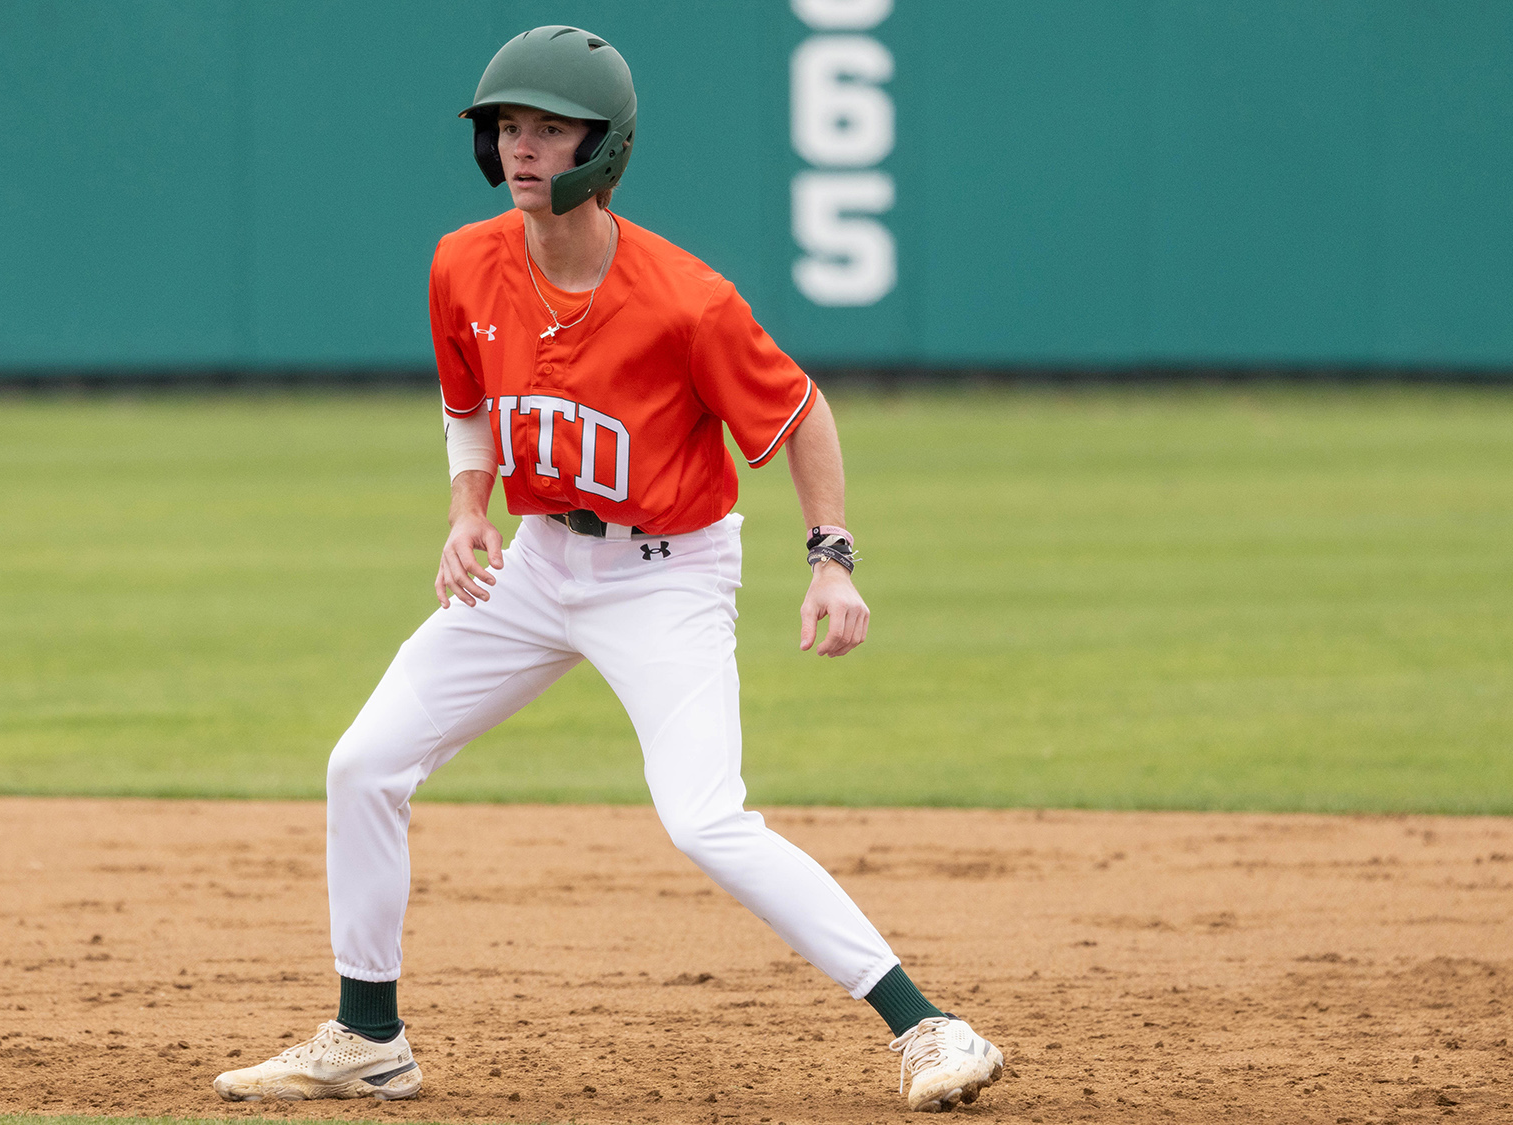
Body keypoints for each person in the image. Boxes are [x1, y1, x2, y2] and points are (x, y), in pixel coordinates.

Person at [212, 25, 1005, 1114]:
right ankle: (367, 1037)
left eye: (548, 127)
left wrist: (831, 559)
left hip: (664, 576)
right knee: (364, 764)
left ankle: (927, 1026)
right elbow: (467, 404)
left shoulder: (686, 300)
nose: (521, 145)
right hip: (535, 569)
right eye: (507, 126)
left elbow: (801, 411)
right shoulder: (462, 262)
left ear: (603, 146)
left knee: (702, 818)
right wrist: (465, 507)